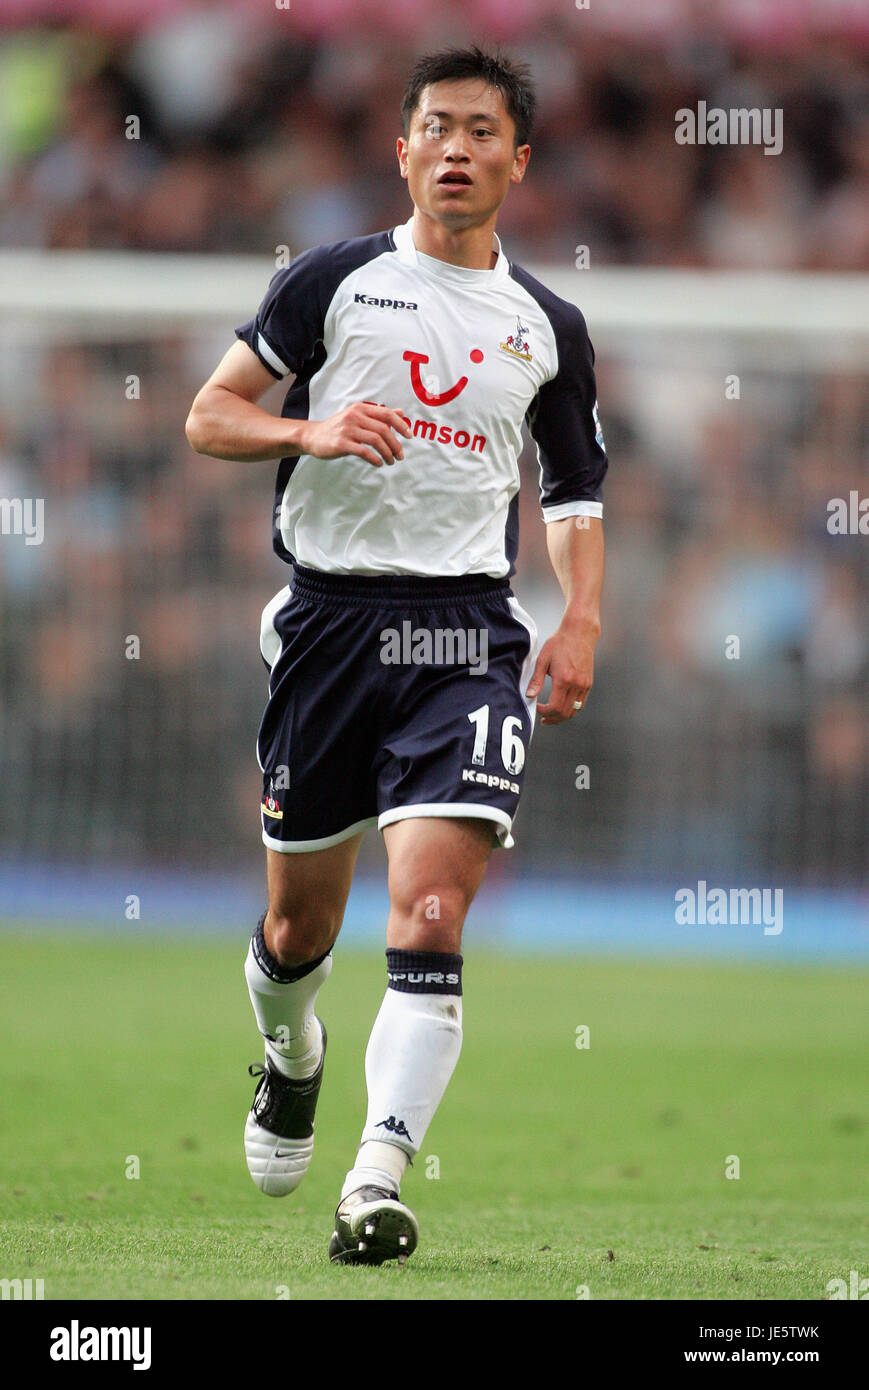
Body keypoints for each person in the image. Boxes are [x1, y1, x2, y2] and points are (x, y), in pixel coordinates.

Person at [185, 45, 607, 1267]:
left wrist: (578, 618)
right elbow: (210, 415)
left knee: (429, 909)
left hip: (466, 636)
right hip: (325, 628)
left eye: (482, 130)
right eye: (436, 127)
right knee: (294, 933)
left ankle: (373, 1180)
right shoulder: (328, 282)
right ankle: (289, 1051)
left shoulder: (548, 325)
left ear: (517, 161)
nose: (457, 148)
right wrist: (309, 428)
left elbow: (575, 496)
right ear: (405, 148)